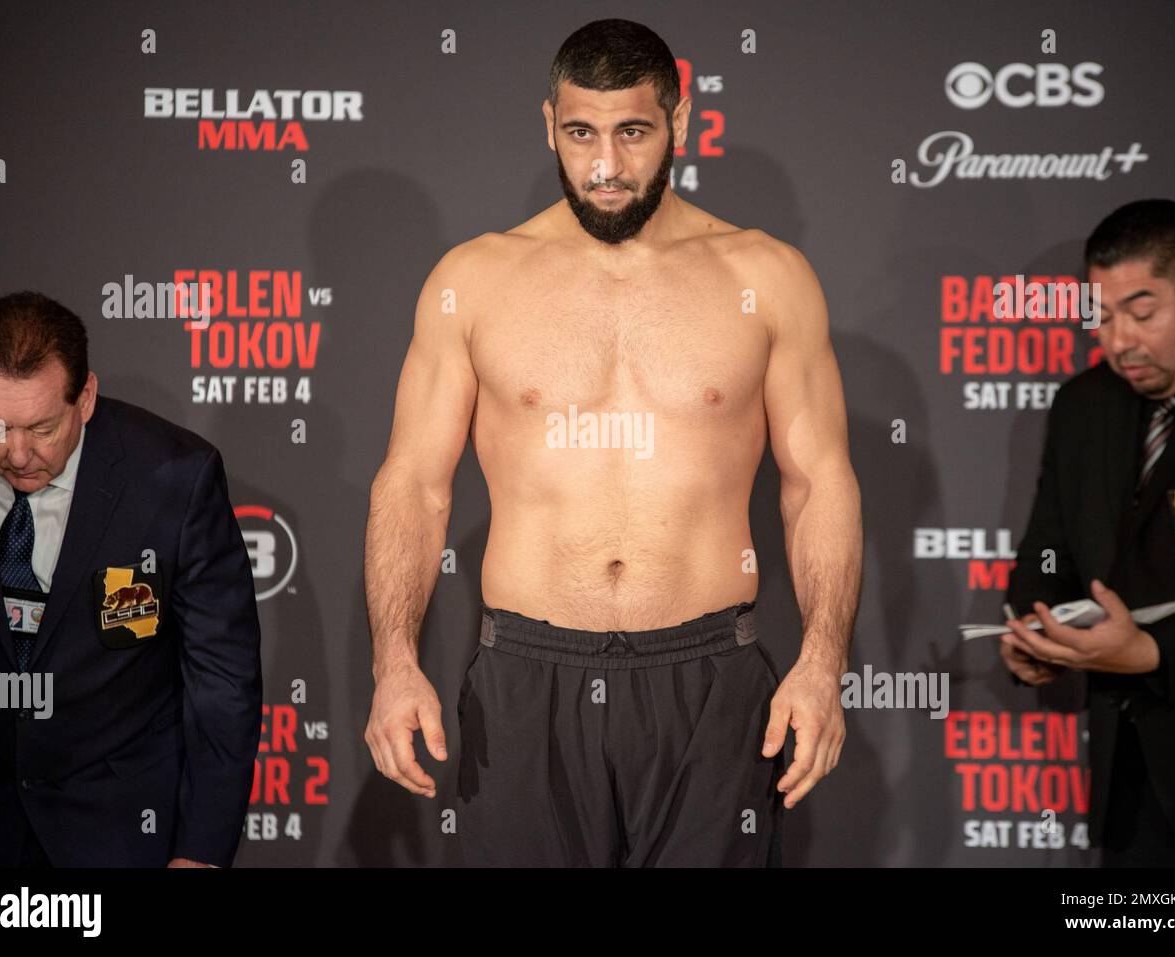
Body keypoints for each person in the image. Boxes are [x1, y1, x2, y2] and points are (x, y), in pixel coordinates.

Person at [364, 18, 862, 866]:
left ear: (681, 120)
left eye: (632, 132)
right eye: (580, 133)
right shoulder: (474, 280)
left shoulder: (765, 277)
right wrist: (393, 661)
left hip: (710, 678)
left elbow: (817, 482)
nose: (605, 165)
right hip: (526, 677)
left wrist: (822, 663)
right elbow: (414, 484)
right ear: (548, 123)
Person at [0, 291, 263, 867]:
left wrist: (201, 853)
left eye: (42, 427)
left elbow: (222, 680)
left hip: (118, 824)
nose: (17, 454)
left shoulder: (174, 478)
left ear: (85, 398)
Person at [1002, 199, 1175, 867]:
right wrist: (1035, 630)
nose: (1119, 340)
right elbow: (1045, 549)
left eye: (1142, 314)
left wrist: (1152, 651)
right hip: (1127, 781)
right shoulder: (1084, 405)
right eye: (1103, 316)